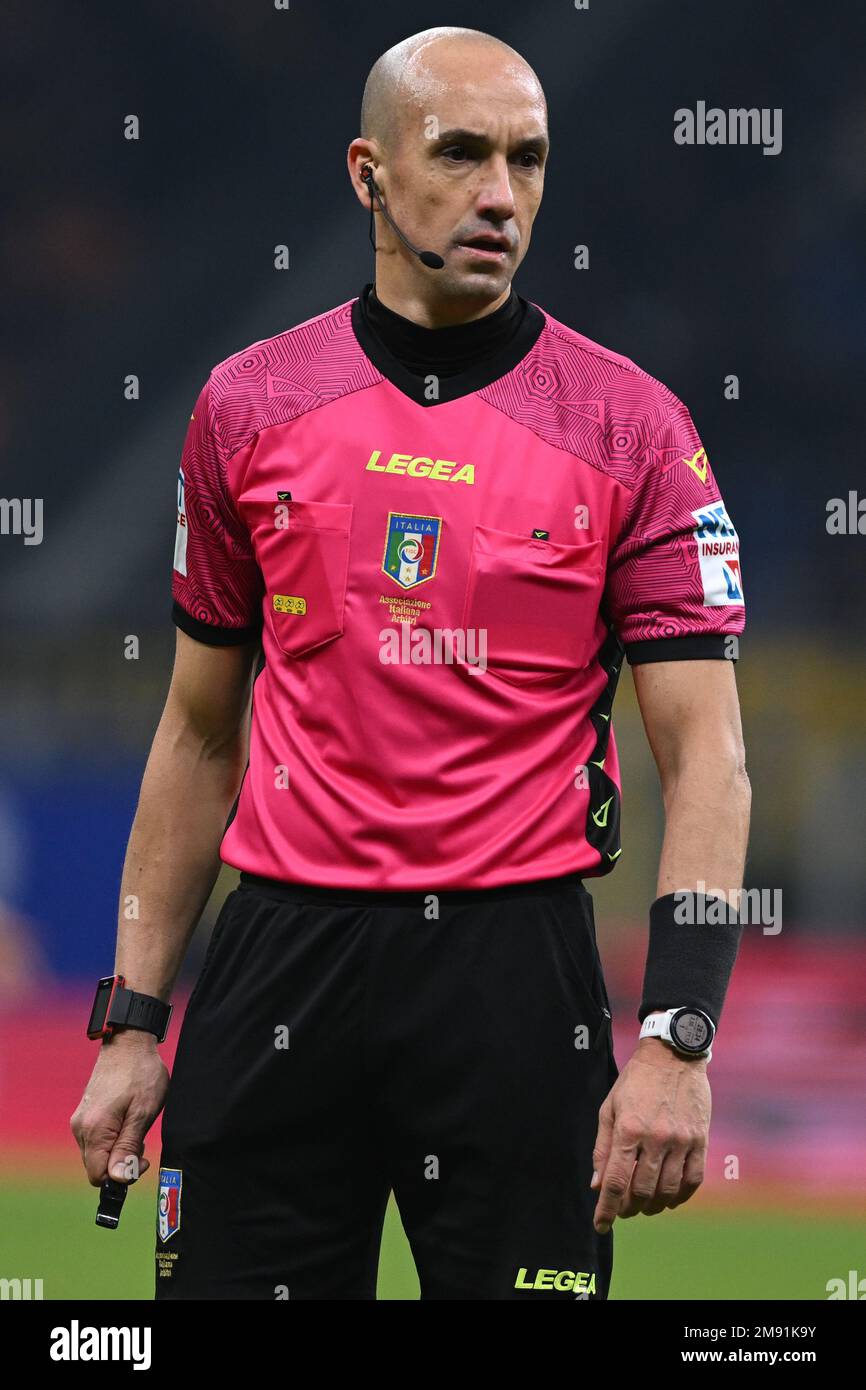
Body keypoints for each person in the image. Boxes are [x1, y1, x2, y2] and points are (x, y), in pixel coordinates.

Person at [71, 26, 750, 1301]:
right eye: (459, 154)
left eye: (526, 160)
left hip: (515, 977)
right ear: (368, 173)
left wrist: (675, 1034)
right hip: (279, 957)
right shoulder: (245, 406)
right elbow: (198, 732)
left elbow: (707, 752)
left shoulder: (635, 429)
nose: (500, 194)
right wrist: (133, 1022)